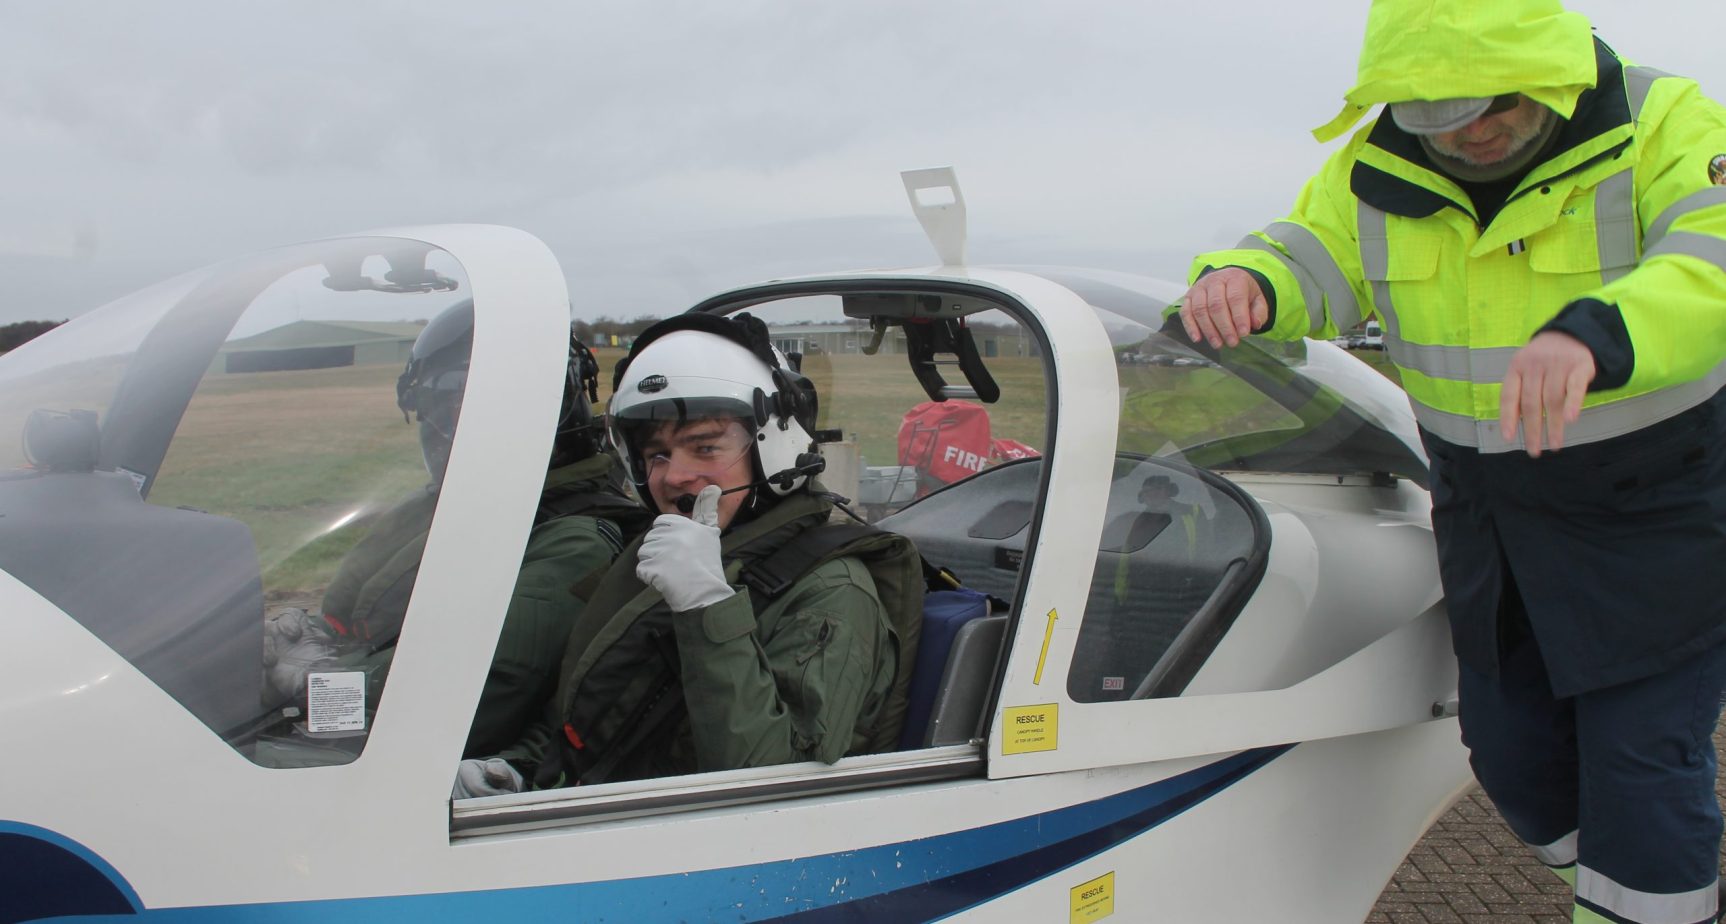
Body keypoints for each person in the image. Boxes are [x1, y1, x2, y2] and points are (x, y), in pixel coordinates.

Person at [1172, 3, 1726, 921]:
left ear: (1542, 77)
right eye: (1433, 117)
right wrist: (1248, 278)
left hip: (1654, 519)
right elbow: (1311, 253)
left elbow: (1712, 257)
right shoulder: (1377, 163)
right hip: (1492, 521)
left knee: (1640, 772)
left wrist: (1605, 331)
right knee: (1511, 755)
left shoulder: (1667, 122)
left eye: (1485, 110)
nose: (1464, 136)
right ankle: (1624, 895)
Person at [455, 312, 913, 797]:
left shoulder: (832, 591)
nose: (673, 476)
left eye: (705, 447)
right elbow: (594, 706)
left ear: (773, 445)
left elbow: (772, 785)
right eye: (656, 454)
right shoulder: (661, 558)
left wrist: (706, 608)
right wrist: (520, 770)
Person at [262, 300, 647, 759]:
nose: (466, 427)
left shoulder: (577, 541)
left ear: (555, 409)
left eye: (493, 407)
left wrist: (310, 687)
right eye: (447, 408)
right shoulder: (441, 506)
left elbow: (468, 694)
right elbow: (352, 620)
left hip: (412, 762)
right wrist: (298, 638)